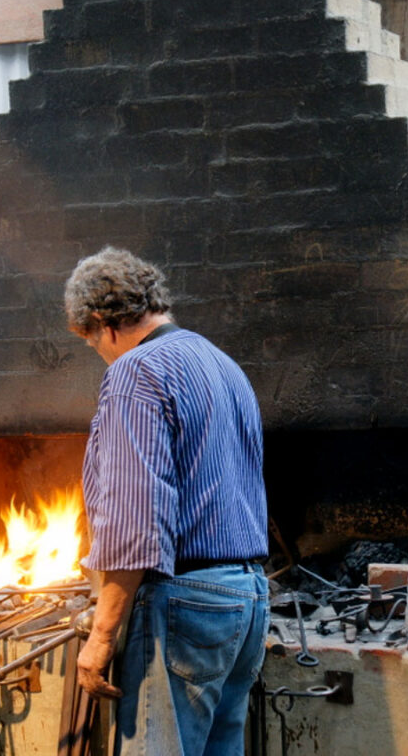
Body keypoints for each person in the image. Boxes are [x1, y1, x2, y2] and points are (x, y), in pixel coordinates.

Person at [64, 246, 269, 755]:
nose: (102, 354)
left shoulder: (136, 372)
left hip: (185, 604)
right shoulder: (221, 364)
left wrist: (102, 635)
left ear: (102, 323)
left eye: (93, 343)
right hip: (248, 597)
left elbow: (134, 522)